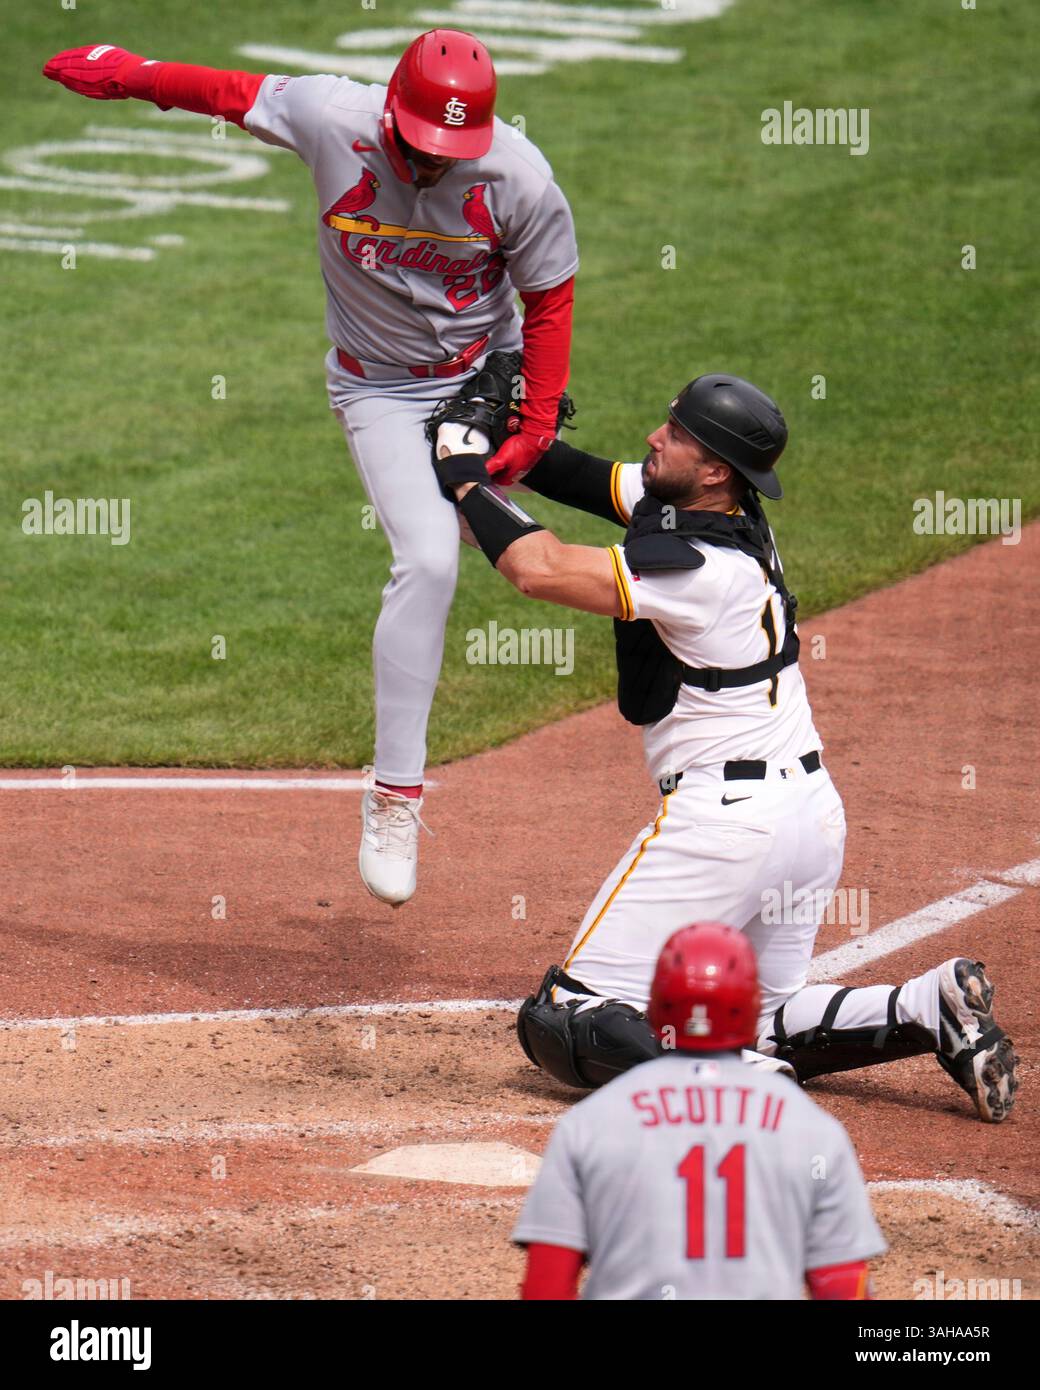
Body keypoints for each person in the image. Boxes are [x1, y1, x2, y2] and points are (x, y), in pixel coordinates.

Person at [43, 32, 579, 907]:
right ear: (392, 114)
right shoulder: (333, 116)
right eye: (420, 145)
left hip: (485, 376)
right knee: (433, 561)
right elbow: (222, 87)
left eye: (452, 153)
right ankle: (394, 795)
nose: (434, 165)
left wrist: (537, 413)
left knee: (613, 501)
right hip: (381, 393)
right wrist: (133, 75)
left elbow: (550, 298)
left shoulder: (518, 177)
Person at [428, 363, 1019, 1122]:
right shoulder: (715, 511)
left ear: (712, 468)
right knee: (764, 1020)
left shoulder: (700, 570)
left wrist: (461, 471)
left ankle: (734, 1086)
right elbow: (581, 478)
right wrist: (516, 439)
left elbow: (536, 569)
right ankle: (925, 1008)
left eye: (673, 434)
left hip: (728, 823)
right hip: (807, 818)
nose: (653, 438)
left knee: (566, 1018)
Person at [513, 923, 886, 1300]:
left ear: (655, 1010)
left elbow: (547, 1285)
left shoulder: (590, 1124)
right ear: (753, 1009)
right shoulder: (813, 1131)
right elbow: (842, 1287)